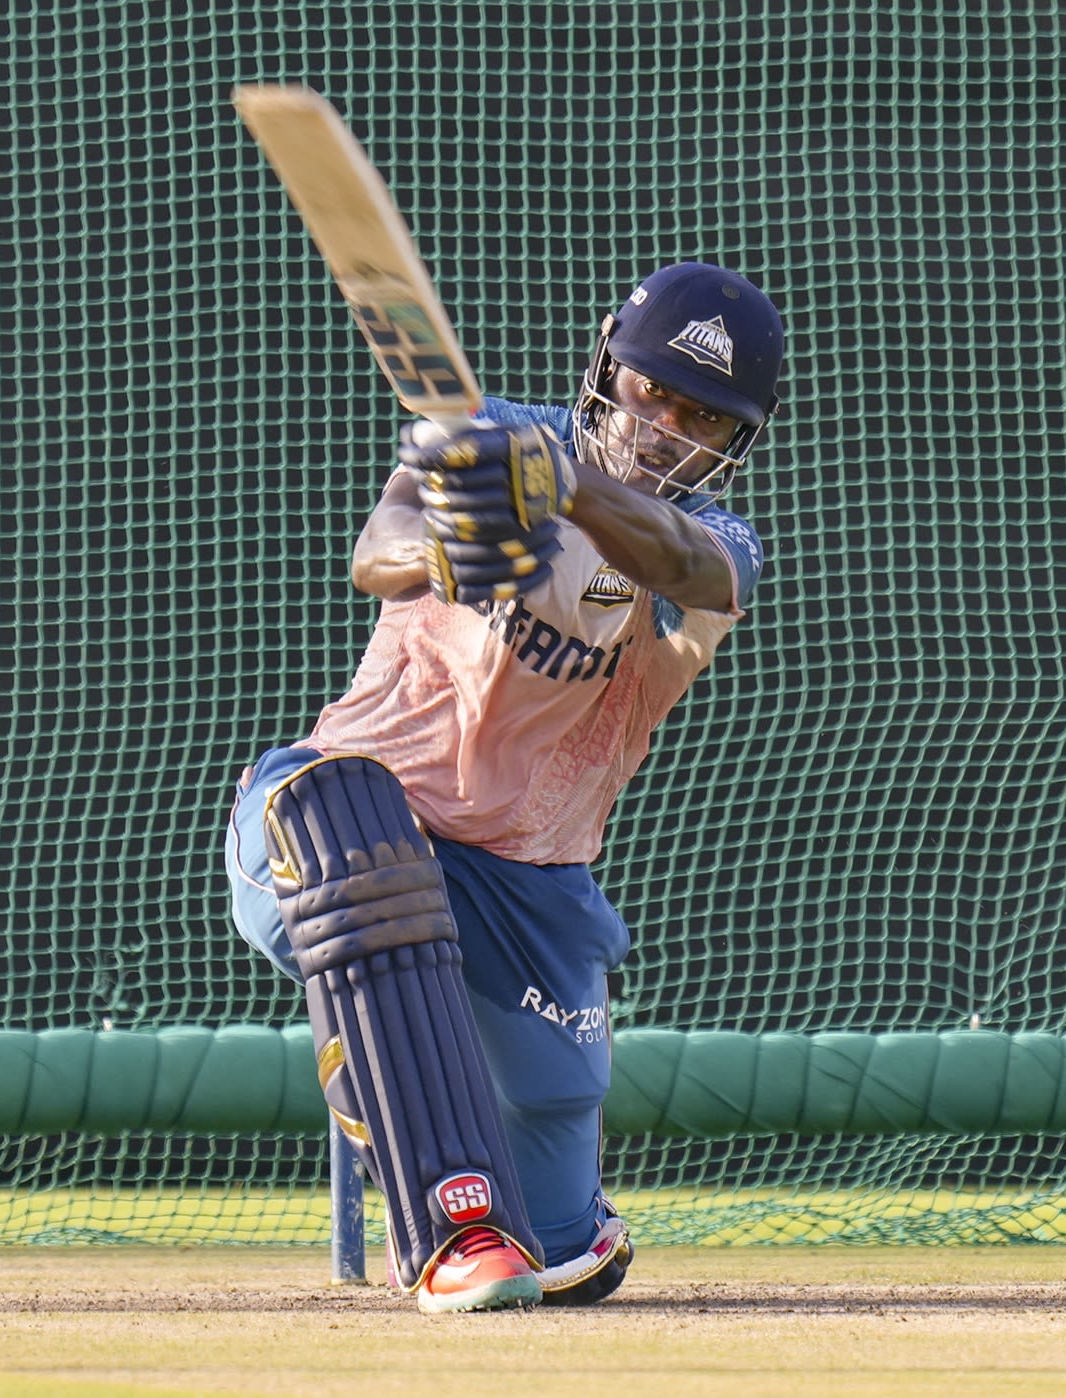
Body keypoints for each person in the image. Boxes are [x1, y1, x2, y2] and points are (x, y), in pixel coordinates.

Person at [225, 261, 784, 1313]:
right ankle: (453, 1227)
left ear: (729, 443)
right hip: (333, 813)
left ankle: (517, 1200)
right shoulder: (491, 434)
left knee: (565, 1243)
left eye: (699, 418)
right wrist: (455, 537)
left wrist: (566, 495)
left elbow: (692, 573)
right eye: (649, 391)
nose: (664, 427)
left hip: (526, 885)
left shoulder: (719, 541)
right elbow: (375, 551)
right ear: (604, 370)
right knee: (364, 854)